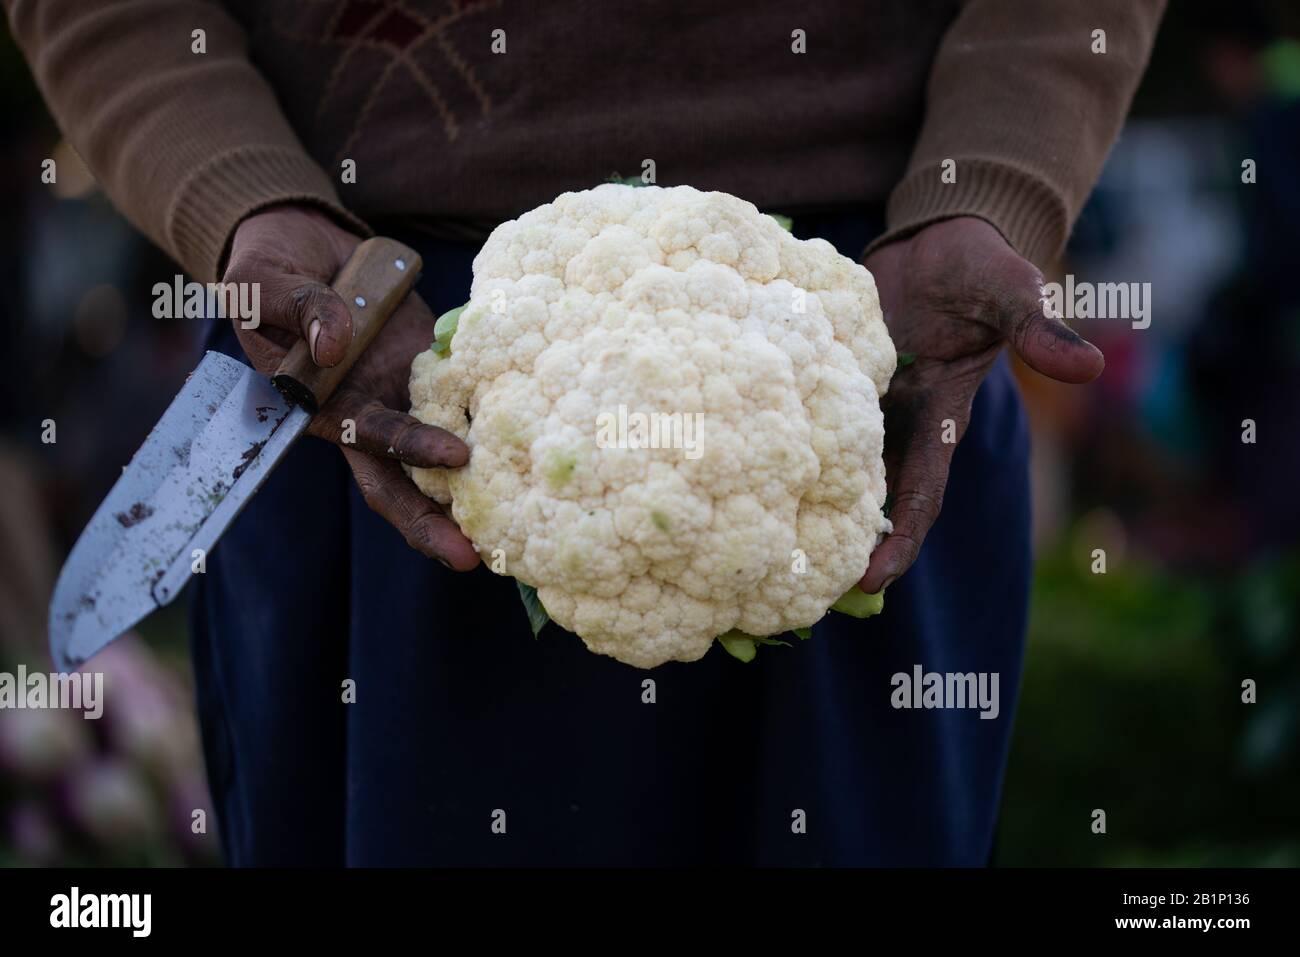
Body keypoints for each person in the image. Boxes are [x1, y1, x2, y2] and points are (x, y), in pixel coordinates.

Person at [8, 0, 1165, 865]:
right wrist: (240, 195)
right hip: (363, 349)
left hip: (871, 351)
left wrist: (990, 184)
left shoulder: (867, 360)